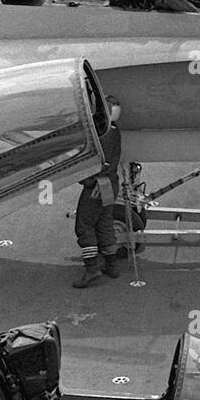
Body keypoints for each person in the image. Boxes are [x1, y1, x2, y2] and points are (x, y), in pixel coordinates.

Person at [72, 96, 122, 289]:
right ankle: (112, 265)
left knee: (84, 225)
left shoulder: (101, 133)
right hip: (110, 183)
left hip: (97, 186)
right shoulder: (115, 131)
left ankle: (92, 268)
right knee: (104, 223)